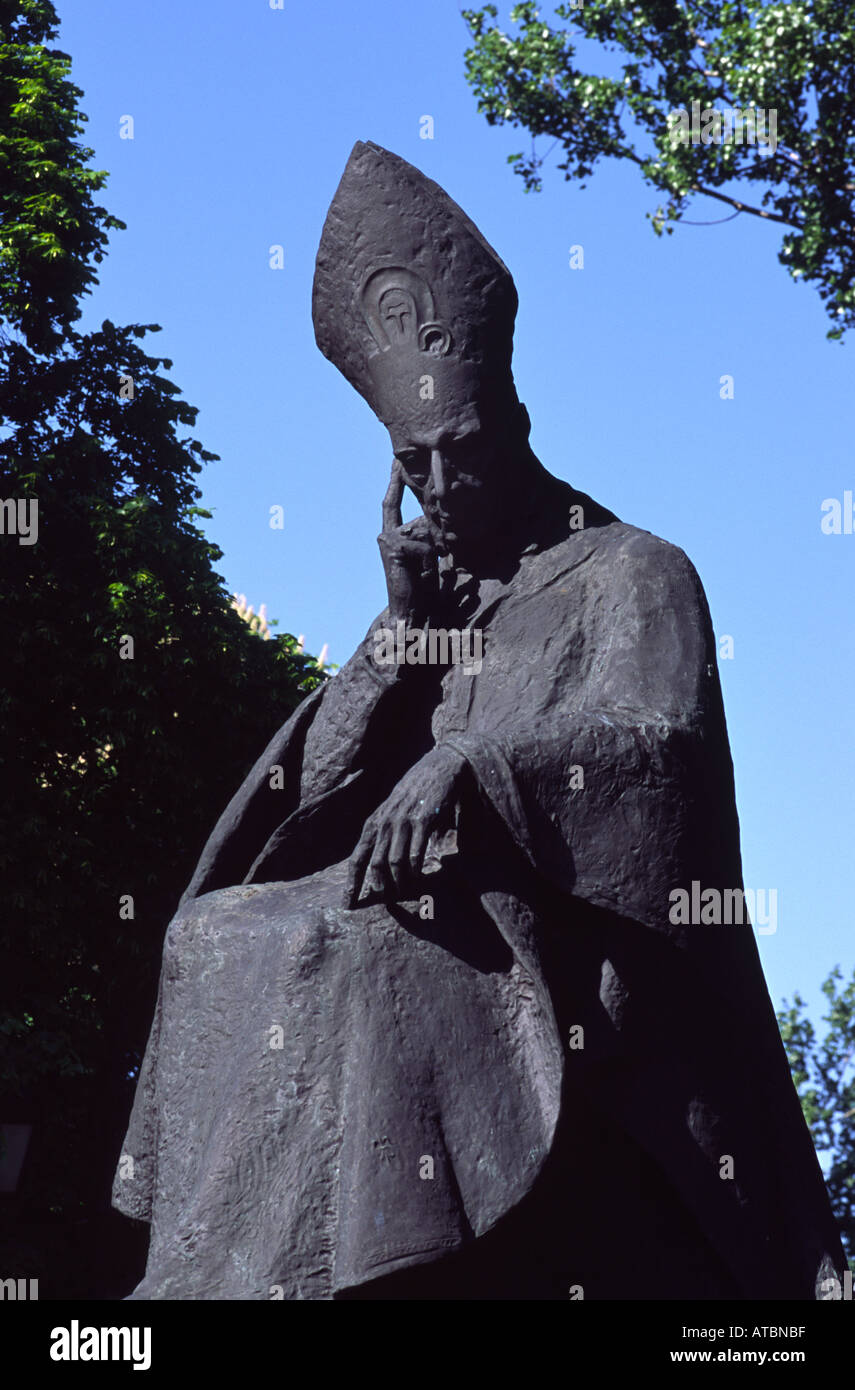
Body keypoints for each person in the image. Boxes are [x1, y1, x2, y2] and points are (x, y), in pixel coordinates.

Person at [113, 141, 846, 1300]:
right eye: (417, 464)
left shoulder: (633, 570)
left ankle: (357, 1273)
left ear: (515, 411)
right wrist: (403, 645)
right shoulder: (433, 597)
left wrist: (476, 765)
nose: (446, 487)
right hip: (413, 914)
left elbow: (667, 761)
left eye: (463, 452)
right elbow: (309, 807)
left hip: (566, 951)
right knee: (214, 936)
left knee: (370, 951)